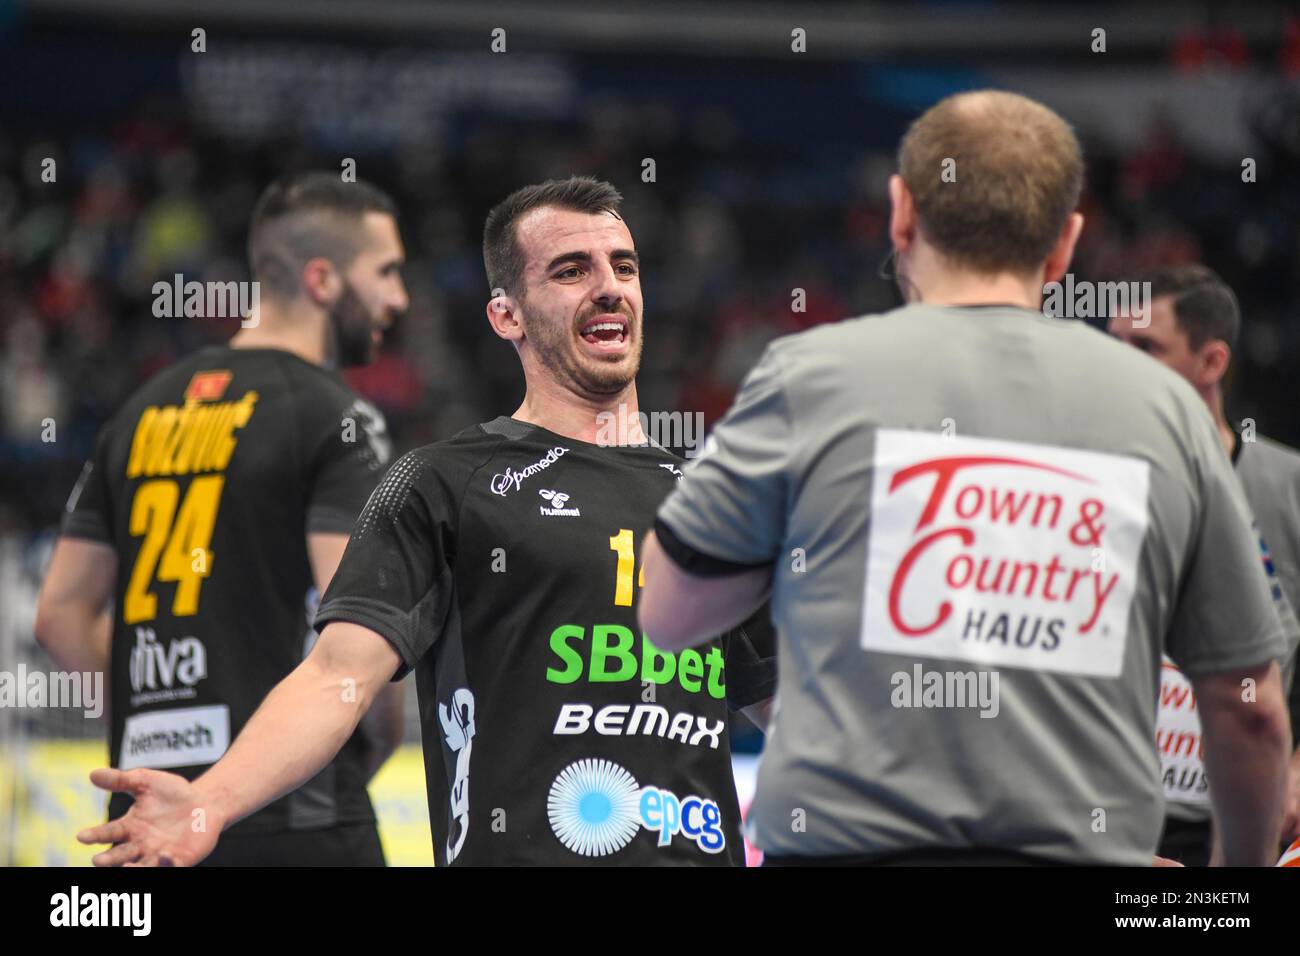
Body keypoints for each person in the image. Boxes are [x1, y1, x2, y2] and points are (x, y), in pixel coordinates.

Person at [638, 90, 1292, 866]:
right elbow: (1251, 710)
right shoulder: (1166, 411)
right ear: (1065, 242)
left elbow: (669, 612)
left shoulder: (806, 377)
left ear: (901, 214)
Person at [76, 175, 774, 867]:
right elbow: (336, 676)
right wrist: (210, 799)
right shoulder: (443, 484)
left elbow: (798, 720)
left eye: (624, 266)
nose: (609, 287)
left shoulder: (714, 506)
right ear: (507, 316)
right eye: (571, 270)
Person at [38, 172, 410, 865]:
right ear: (323, 280)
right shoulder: (338, 418)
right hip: (296, 814)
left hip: (147, 816)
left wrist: (144, 728)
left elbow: (58, 613)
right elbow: (362, 622)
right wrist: (372, 741)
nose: (399, 298)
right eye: (386, 272)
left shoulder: (140, 410)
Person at [1108, 263, 1300, 864]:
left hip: (1249, 820)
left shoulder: (1288, 487)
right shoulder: (1084, 486)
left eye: (1146, 346)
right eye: (1114, 345)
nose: (1121, 366)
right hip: (1111, 820)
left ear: (1211, 361)